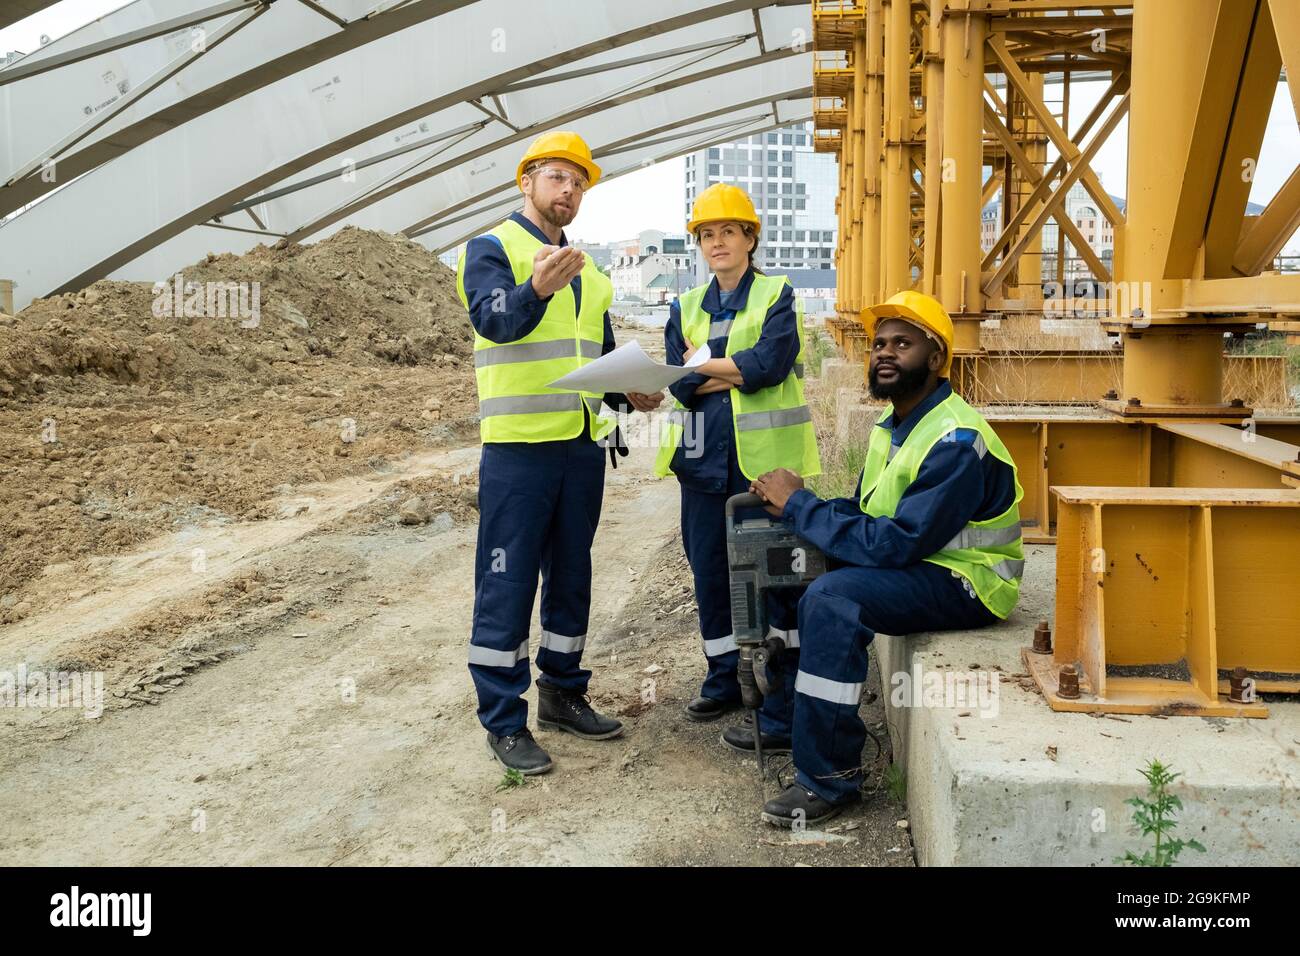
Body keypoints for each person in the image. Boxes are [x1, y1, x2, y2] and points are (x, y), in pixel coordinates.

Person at [746, 290, 1025, 827]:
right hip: (922, 562)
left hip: (969, 581)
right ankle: (789, 717)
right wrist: (801, 513)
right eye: (878, 344)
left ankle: (828, 778)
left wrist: (803, 505)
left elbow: (894, 543)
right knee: (791, 562)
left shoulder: (956, 439)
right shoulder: (896, 424)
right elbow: (873, 514)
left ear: (937, 357)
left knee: (832, 598)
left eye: (904, 343)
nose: (885, 353)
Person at [456, 130, 662, 776]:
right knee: (508, 583)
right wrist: (535, 290)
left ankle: (563, 692)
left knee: (571, 576)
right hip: (519, 451)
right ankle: (504, 721)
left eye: (579, 182)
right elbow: (494, 321)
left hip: (580, 449)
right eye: (556, 178)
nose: (568, 189)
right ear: (528, 182)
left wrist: (630, 392)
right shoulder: (493, 249)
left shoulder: (591, 271)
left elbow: (594, 361)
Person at [654, 182, 821, 743]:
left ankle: (780, 684)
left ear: (750, 237)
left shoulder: (777, 293)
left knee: (775, 575)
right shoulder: (685, 306)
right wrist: (728, 372)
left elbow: (771, 363)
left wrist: (707, 371)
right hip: (701, 460)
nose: (717, 242)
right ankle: (724, 677)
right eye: (707, 234)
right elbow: (679, 386)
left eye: (728, 231)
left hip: (762, 469)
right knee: (710, 572)